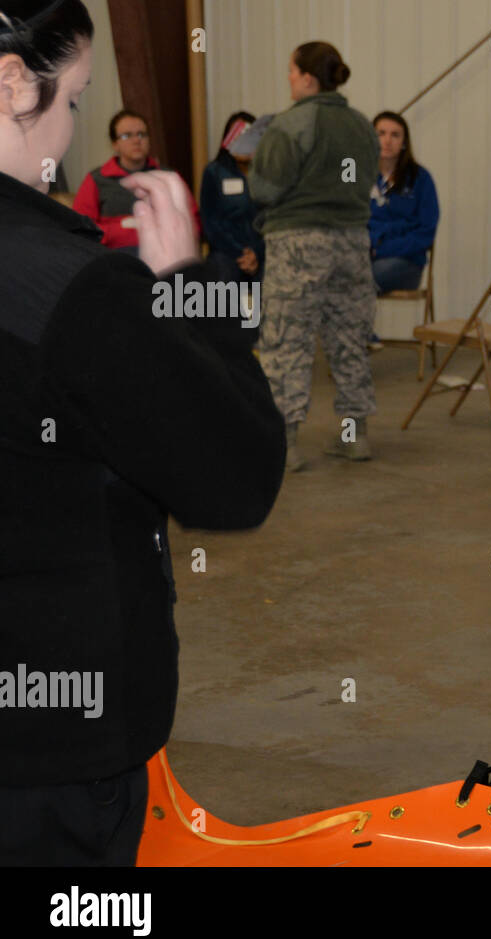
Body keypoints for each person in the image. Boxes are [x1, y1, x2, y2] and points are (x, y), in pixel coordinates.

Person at [0, 0, 284, 865]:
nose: (76, 125)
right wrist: (188, 288)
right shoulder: (66, 288)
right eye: (77, 98)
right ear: (14, 82)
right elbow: (238, 472)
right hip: (49, 757)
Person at [248, 40, 379, 471]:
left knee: (288, 342)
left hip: (299, 242)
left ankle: (284, 447)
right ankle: (353, 436)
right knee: (348, 339)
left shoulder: (291, 124)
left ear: (307, 77)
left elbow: (264, 189)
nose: (287, 78)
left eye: (290, 70)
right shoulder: (362, 126)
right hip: (353, 243)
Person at [72, 107, 200, 252]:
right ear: (115, 144)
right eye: (127, 136)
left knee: (181, 274)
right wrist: (122, 231)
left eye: (142, 134)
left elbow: (192, 221)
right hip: (116, 259)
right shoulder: (97, 179)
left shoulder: (169, 177)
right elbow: (82, 228)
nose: (136, 140)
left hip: (166, 256)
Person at [367, 109, 439, 350]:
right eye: (381, 133)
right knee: (337, 276)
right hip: (365, 258)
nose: (387, 140)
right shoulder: (358, 175)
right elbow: (351, 222)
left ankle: (356, 338)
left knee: (356, 279)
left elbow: (425, 232)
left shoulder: (421, 179)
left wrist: (381, 246)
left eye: (395, 135)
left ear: (404, 142)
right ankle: (355, 339)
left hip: (406, 263)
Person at [200, 110, 264, 281]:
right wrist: (240, 252)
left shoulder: (268, 174)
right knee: (221, 274)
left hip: (262, 251)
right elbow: (210, 222)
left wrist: (256, 252)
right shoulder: (214, 172)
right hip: (226, 251)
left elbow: (273, 218)